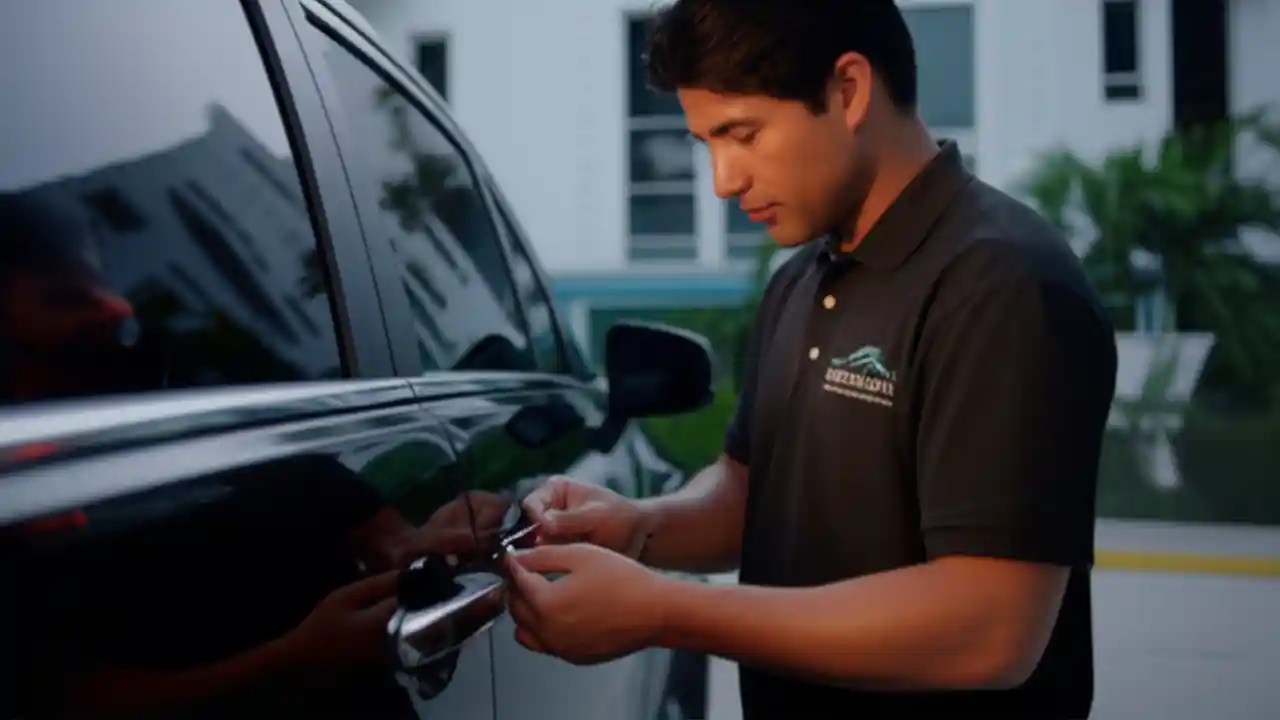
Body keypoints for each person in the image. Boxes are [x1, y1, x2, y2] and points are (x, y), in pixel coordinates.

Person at [503, 1, 1118, 718]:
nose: (723, 181)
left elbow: (991, 627)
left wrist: (665, 610)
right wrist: (639, 526)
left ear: (849, 90)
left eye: (741, 134)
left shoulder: (1002, 284)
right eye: (707, 143)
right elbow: (747, 496)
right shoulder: (801, 279)